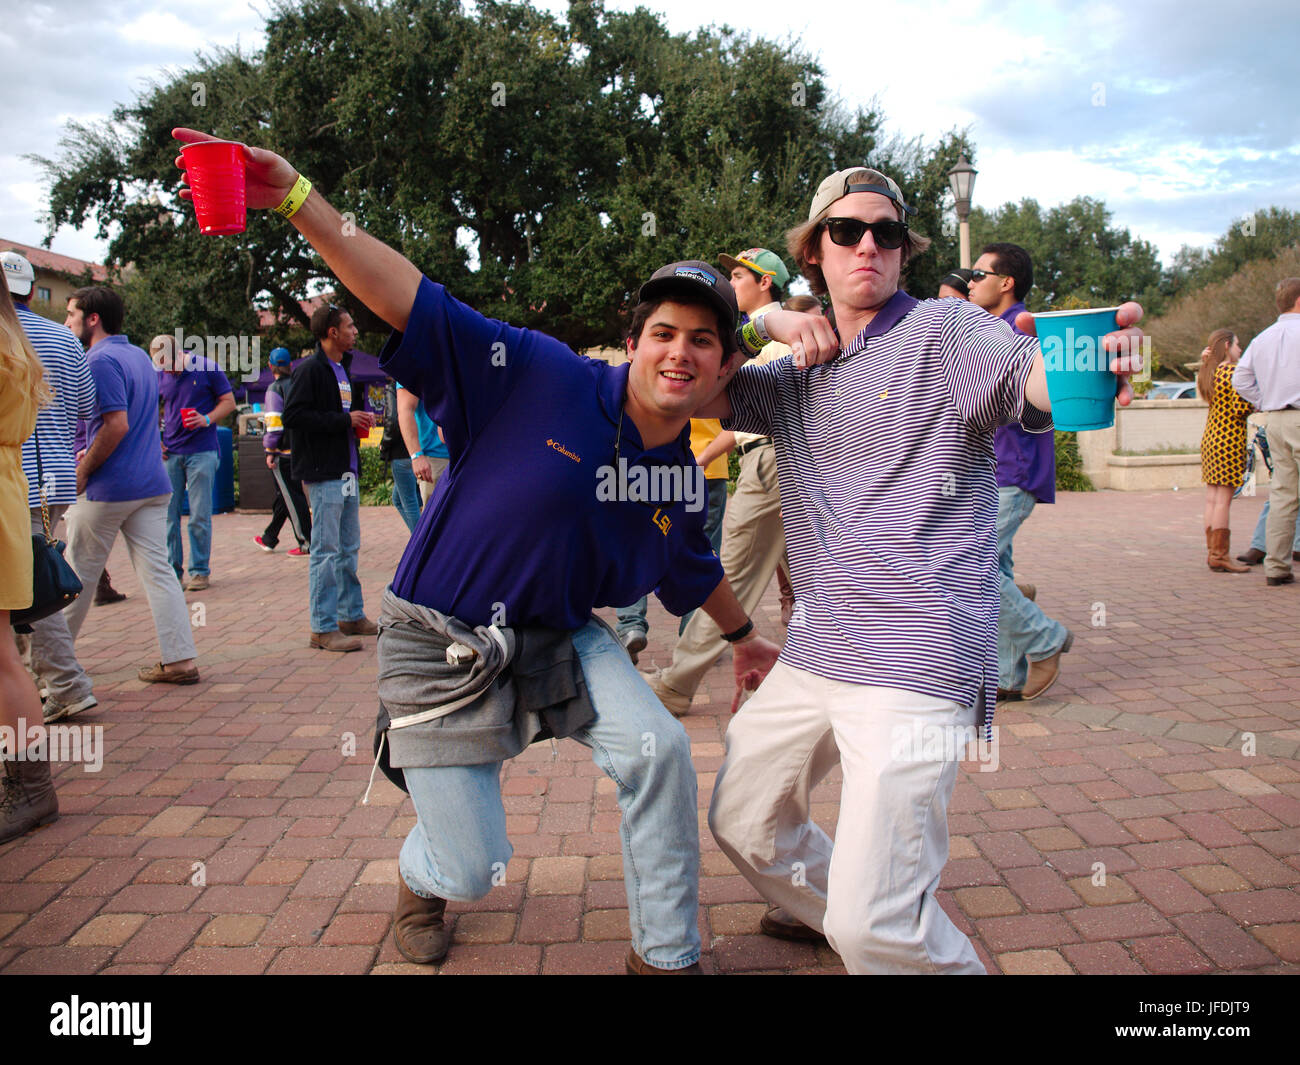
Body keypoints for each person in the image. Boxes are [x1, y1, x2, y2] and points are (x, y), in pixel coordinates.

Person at [172, 126, 784, 974]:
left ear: (722, 371)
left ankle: (668, 954)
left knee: (660, 748)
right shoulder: (539, 371)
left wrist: (746, 635)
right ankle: (421, 870)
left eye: (704, 340)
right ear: (637, 341)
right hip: (439, 638)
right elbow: (411, 299)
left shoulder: (677, 472)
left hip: (561, 637)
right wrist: (298, 199)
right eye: (665, 332)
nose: (681, 350)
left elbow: (689, 563)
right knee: (469, 864)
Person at [703, 167, 1145, 974]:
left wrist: (1086, 363)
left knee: (879, 929)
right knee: (742, 819)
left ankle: (872, 928)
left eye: (887, 232)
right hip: (817, 648)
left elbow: (1027, 382)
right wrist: (771, 316)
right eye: (846, 231)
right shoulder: (792, 373)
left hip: (917, 652)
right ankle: (834, 910)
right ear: (815, 252)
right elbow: (695, 367)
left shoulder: (944, 332)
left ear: (905, 251)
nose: (868, 243)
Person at [647, 247, 794, 716]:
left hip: (769, 462)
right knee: (812, 581)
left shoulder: (779, 335)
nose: (731, 284)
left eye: (738, 275)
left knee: (732, 569)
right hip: (772, 461)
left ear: (766, 282)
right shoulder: (771, 334)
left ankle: (677, 682)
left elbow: (726, 403)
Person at [61, 288, 200, 684]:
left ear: (93, 319)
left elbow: (115, 424)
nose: (67, 322)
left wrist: (84, 469)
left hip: (108, 488)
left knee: (75, 580)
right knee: (159, 573)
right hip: (150, 485)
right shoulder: (138, 355)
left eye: (72, 314)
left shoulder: (98, 360)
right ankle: (180, 661)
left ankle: (53, 669)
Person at [968, 242, 1072, 700]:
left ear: (1006, 283)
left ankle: (1044, 638)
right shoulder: (995, 330)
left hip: (1012, 472)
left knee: (973, 567)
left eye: (978, 274)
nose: (969, 282)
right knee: (996, 570)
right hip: (998, 473)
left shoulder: (1018, 335)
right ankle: (1008, 676)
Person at [4, 253, 99, 722]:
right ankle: (39, 678)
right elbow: (87, 406)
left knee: (27, 587)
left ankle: (65, 683)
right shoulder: (63, 336)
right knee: (28, 580)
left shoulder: (7, 335)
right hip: (58, 475)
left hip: (17, 478)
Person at [0, 266, 59, 844]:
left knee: (2, 656)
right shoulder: (17, 341)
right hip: (13, 488)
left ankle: (30, 787)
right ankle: (29, 784)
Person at [281, 304, 378, 651]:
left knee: (348, 547)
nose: (355, 331)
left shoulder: (342, 367)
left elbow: (337, 415)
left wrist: (353, 420)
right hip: (323, 474)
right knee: (325, 550)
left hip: (347, 468)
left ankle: (350, 615)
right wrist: (344, 421)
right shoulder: (309, 370)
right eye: (350, 325)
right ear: (332, 332)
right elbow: (293, 416)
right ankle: (322, 628)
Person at [152, 334, 235, 592]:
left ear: (179, 353)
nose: (167, 370)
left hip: (202, 451)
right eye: (161, 366)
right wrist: (156, 438)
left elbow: (229, 402)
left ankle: (200, 571)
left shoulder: (207, 368)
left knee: (199, 514)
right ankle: (173, 573)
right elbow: (151, 407)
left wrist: (207, 419)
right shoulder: (160, 373)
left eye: (169, 364)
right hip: (171, 453)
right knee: (169, 515)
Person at [1233, 277, 1300, 586]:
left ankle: (1276, 566)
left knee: (1284, 495)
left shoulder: (1262, 338)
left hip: (1274, 419)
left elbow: (1240, 379)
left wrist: (1265, 402)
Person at [1197, 329, 1252, 573]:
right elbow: (1241, 408)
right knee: (1224, 501)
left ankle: (1212, 552)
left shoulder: (1209, 371)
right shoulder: (1231, 371)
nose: (1240, 350)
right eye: (1238, 345)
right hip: (1229, 440)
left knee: (1212, 498)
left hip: (1210, 438)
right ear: (1227, 345)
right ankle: (1220, 555)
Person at [255, 346, 311, 555]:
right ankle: (270, 536)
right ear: (290, 365)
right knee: (286, 494)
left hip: (284, 451)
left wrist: (270, 449)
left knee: (292, 496)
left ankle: (306, 542)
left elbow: (274, 423)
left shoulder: (274, 389)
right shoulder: (298, 385)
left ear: (270, 366)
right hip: (301, 449)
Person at [395, 381, 448, 504]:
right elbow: (405, 410)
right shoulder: (413, 362)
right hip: (436, 458)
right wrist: (416, 455)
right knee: (437, 518)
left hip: (468, 453)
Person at [381, 378, 421, 534]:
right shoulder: (413, 382)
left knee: (409, 503)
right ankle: (421, 540)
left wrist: (384, 445)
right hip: (414, 449)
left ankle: (421, 543)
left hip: (402, 452)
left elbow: (392, 419)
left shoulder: (395, 388)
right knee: (398, 499)